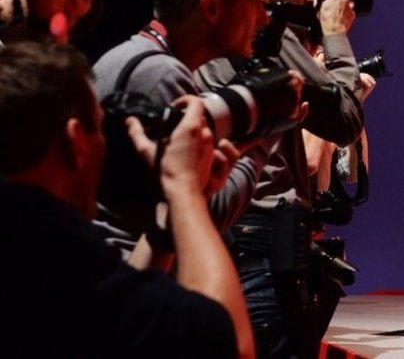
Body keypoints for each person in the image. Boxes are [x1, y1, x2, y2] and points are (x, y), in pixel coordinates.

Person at [0, 40, 253, 358]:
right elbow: (230, 345)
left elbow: (124, 302)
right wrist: (185, 189)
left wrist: (169, 223)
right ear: (76, 140)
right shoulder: (61, 252)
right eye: (100, 129)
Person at [196, 0, 364, 358]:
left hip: (216, 224)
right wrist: (336, 35)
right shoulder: (264, 37)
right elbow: (342, 119)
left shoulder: (205, 35)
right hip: (265, 233)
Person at [92, 0, 298, 254]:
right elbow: (206, 215)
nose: (263, 17)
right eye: (256, 1)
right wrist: (267, 127)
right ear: (212, 7)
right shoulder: (163, 75)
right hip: (132, 279)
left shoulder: (131, 57)